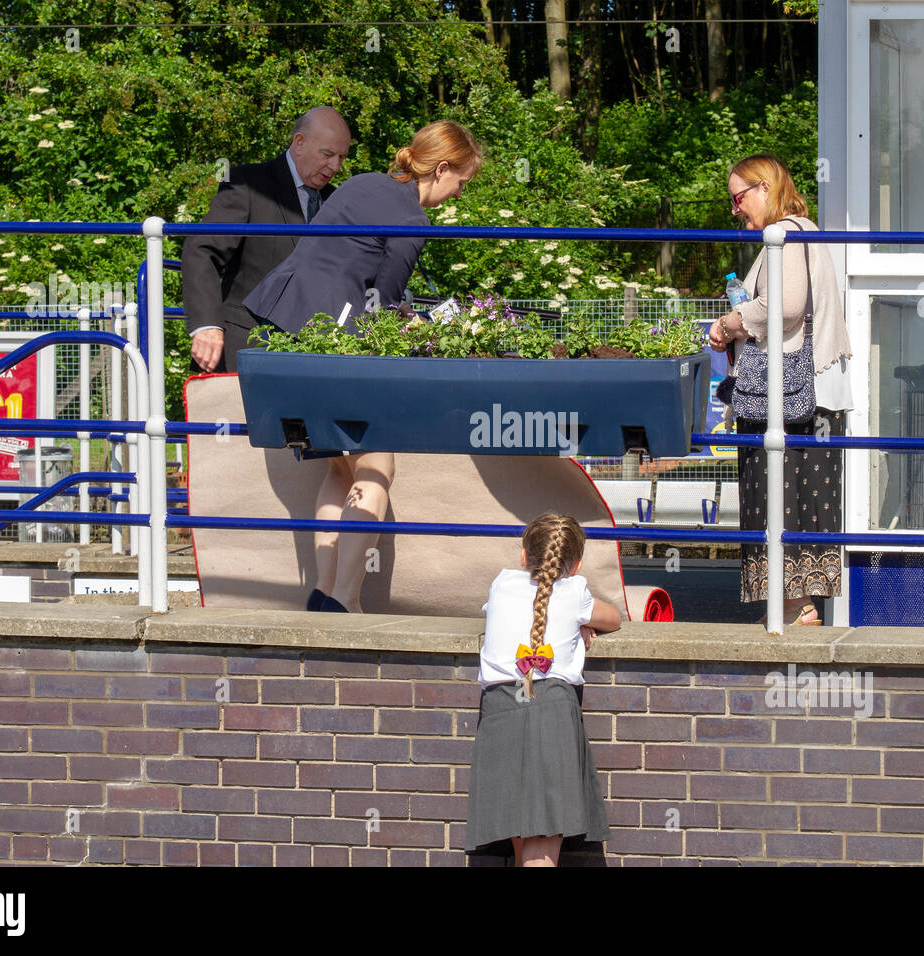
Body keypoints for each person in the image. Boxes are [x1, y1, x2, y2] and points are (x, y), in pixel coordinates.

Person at [244, 120, 481, 613]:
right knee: (376, 466)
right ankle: (346, 597)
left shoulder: (361, 183)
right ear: (440, 169)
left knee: (337, 466)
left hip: (286, 329)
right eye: (461, 181)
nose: (459, 193)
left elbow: (337, 262)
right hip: (334, 341)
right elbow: (385, 305)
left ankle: (323, 591)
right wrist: (425, 329)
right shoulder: (412, 221)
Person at [708, 154, 853, 627]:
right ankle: (798, 607)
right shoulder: (800, 232)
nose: (735, 210)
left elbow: (785, 309)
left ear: (764, 188)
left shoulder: (785, 236)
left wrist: (730, 324)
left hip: (792, 399)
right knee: (806, 504)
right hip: (810, 393)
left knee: (781, 496)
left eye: (738, 197)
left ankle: (794, 611)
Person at [464, 513, 622, 867]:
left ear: (524, 555)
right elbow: (614, 618)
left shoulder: (501, 584)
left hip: (499, 712)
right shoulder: (576, 591)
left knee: (522, 843)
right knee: (542, 850)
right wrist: (585, 622)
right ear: (577, 564)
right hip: (552, 709)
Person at [181, 106, 352, 373]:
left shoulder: (337, 201)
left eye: (341, 157)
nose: (335, 166)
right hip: (244, 351)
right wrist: (207, 326)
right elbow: (201, 249)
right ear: (299, 143)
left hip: (310, 358)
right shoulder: (247, 184)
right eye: (328, 155)